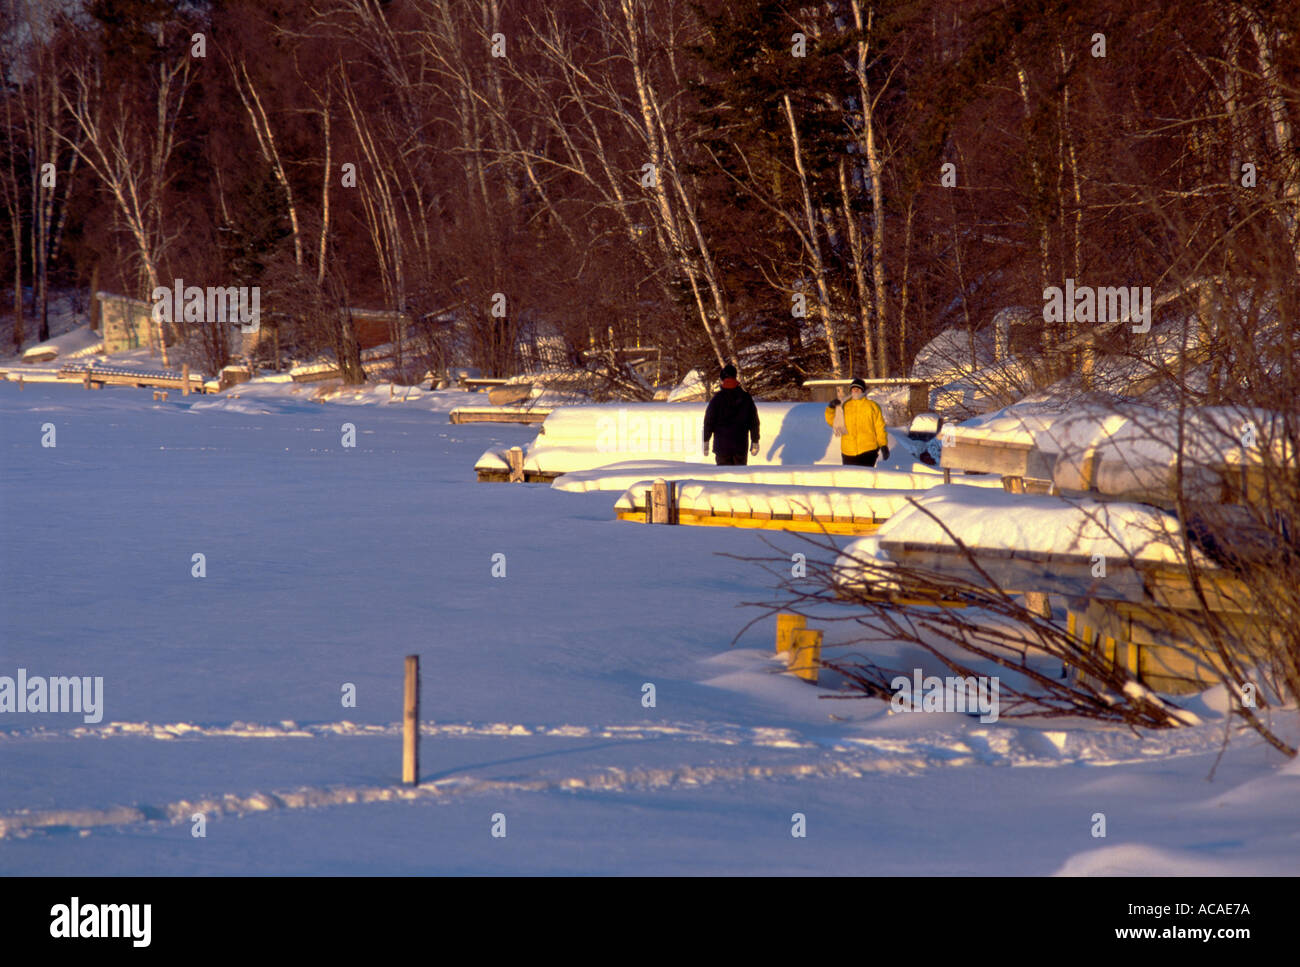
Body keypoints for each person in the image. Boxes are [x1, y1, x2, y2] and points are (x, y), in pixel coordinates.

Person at [702, 363, 760, 465]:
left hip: (722, 446)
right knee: (740, 478)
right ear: (735, 376)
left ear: (722, 379)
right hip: (740, 446)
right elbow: (754, 421)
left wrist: (706, 440)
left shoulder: (717, 399)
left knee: (724, 478)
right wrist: (755, 440)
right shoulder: (746, 398)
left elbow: (709, 422)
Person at [826, 377, 891, 466]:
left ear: (863, 390)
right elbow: (833, 422)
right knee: (850, 479)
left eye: (858, 389)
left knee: (865, 478)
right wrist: (831, 408)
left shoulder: (872, 406)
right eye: (853, 389)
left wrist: (883, 445)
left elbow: (880, 427)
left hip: (868, 450)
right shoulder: (844, 405)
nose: (855, 391)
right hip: (848, 451)